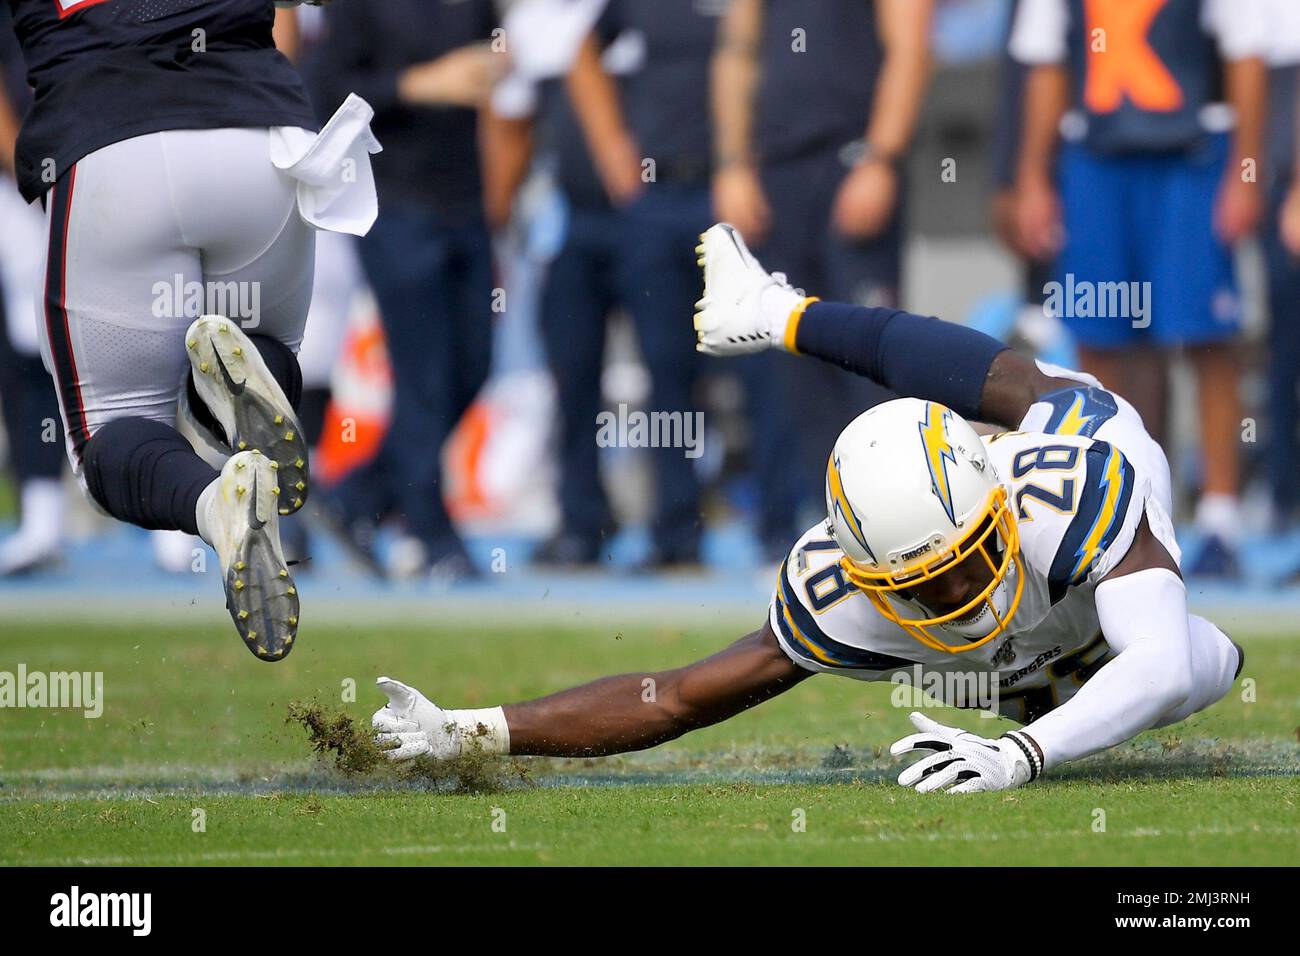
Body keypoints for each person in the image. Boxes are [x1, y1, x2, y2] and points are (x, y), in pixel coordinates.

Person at [366, 224, 1242, 793]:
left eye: (970, 561)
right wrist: (474, 730)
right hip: (1027, 667)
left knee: (1194, 666)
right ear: (862, 570)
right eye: (928, 587)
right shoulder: (837, 592)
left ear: (1001, 510)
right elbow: (671, 697)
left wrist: (1026, 755)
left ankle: (781, 311)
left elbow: (1161, 664)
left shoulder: (1076, 491)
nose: (960, 599)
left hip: (1093, 486)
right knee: (1077, 689)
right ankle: (781, 312)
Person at [6, 0, 377, 659]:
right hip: (262, 138)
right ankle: (230, 391)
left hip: (112, 140)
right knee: (264, 344)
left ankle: (215, 505)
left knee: (111, 444)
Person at [1011, 0, 1268, 577]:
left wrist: (1244, 173)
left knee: (1206, 337)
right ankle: (1113, 504)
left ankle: (1221, 518)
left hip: (1193, 155)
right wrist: (1033, 177)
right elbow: (1046, 64)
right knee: (1096, 340)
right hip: (1094, 157)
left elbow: (1246, 57)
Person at [711, 0, 934, 560]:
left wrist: (881, 158)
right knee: (789, 360)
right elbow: (738, 51)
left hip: (851, 157)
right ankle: (823, 534)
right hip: (778, 167)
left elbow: (910, 46)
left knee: (870, 360)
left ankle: (900, 531)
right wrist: (734, 162)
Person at [314, 0, 499, 583]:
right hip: (392, 203)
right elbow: (327, 90)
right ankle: (430, 532)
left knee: (473, 366)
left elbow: (492, 61)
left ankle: (357, 496)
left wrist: (498, 63)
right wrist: (419, 83)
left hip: (465, 202)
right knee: (423, 376)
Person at [563, 0, 724, 570]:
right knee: (665, 367)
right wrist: (612, 147)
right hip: (660, 195)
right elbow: (580, 50)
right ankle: (676, 532)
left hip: (732, 191)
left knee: (764, 362)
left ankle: (783, 527)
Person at [0, 6, 66, 576]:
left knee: (150, 331)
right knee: (32, 344)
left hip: (119, 165)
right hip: (24, 184)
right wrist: (29, 167)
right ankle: (42, 514)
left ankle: (171, 520)